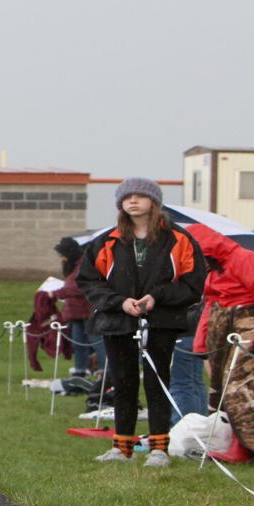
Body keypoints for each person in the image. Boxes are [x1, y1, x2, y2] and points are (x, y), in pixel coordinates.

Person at [76, 178, 207, 467]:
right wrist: (118, 302)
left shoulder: (179, 239)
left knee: (157, 382)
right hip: (116, 321)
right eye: (127, 197)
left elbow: (193, 284)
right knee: (122, 383)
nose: (133, 201)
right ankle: (121, 446)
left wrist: (157, 297)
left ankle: (159, 448)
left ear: (154, 202)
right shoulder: (105, 241)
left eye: (140, 196)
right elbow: (88, 280)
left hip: (162, 321)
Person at [189, 223, 254, 463]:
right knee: (223, 391)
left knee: (244, 389)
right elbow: (210, 305)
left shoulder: (247, 260)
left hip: (247, 330)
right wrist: (201, 344)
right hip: (225, 330)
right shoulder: (215, 271)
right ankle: (237, 446)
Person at [50, 237, 105, 377]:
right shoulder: (74, 265)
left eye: (62, 254)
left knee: (97, 342)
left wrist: (56, 293)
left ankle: (106, 370)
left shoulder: (82, 265)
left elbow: (77, 287)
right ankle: (80, 370)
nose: (61, 258)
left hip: (88, 312)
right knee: (78, 343)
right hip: (75, 313)